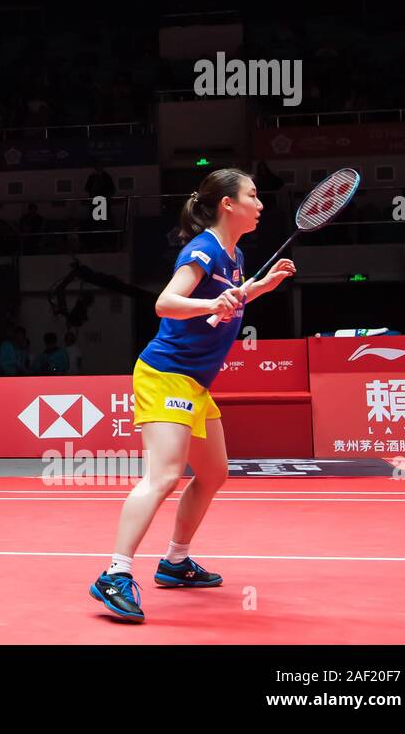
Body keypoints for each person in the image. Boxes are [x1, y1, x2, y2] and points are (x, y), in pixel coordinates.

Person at [89, 168, 295, 623]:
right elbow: (166, 302)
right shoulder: (202, 250)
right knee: (163, 475)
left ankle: (175, 562)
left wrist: (256, 289)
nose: (260, 205)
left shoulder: (234, 254)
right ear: (228, 204)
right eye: (253, 196)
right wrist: (210, 304)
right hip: (166, 375)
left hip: (196, 385)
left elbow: (226, 301)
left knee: (214, 473)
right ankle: (114, 574)